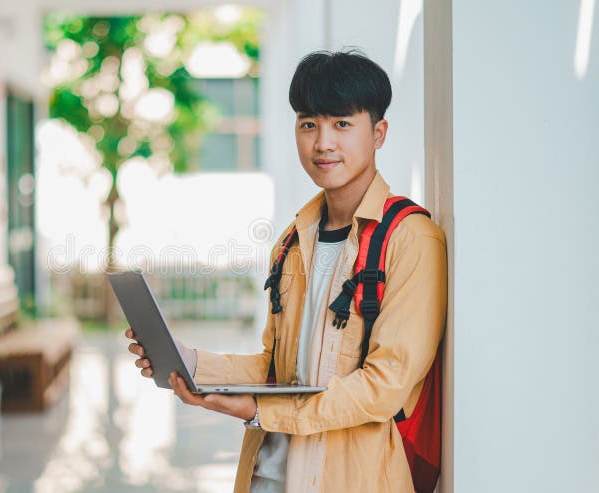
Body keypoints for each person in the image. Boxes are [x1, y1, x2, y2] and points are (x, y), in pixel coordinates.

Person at [125, 49, 447, 492]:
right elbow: (277, 370)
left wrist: (258, 410)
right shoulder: (293, 240)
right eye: (308, 123)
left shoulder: (411, 239)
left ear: (379, 133)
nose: (323, 143)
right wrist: (191, 363)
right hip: (267, 478)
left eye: (342, 124)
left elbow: (384, 388)